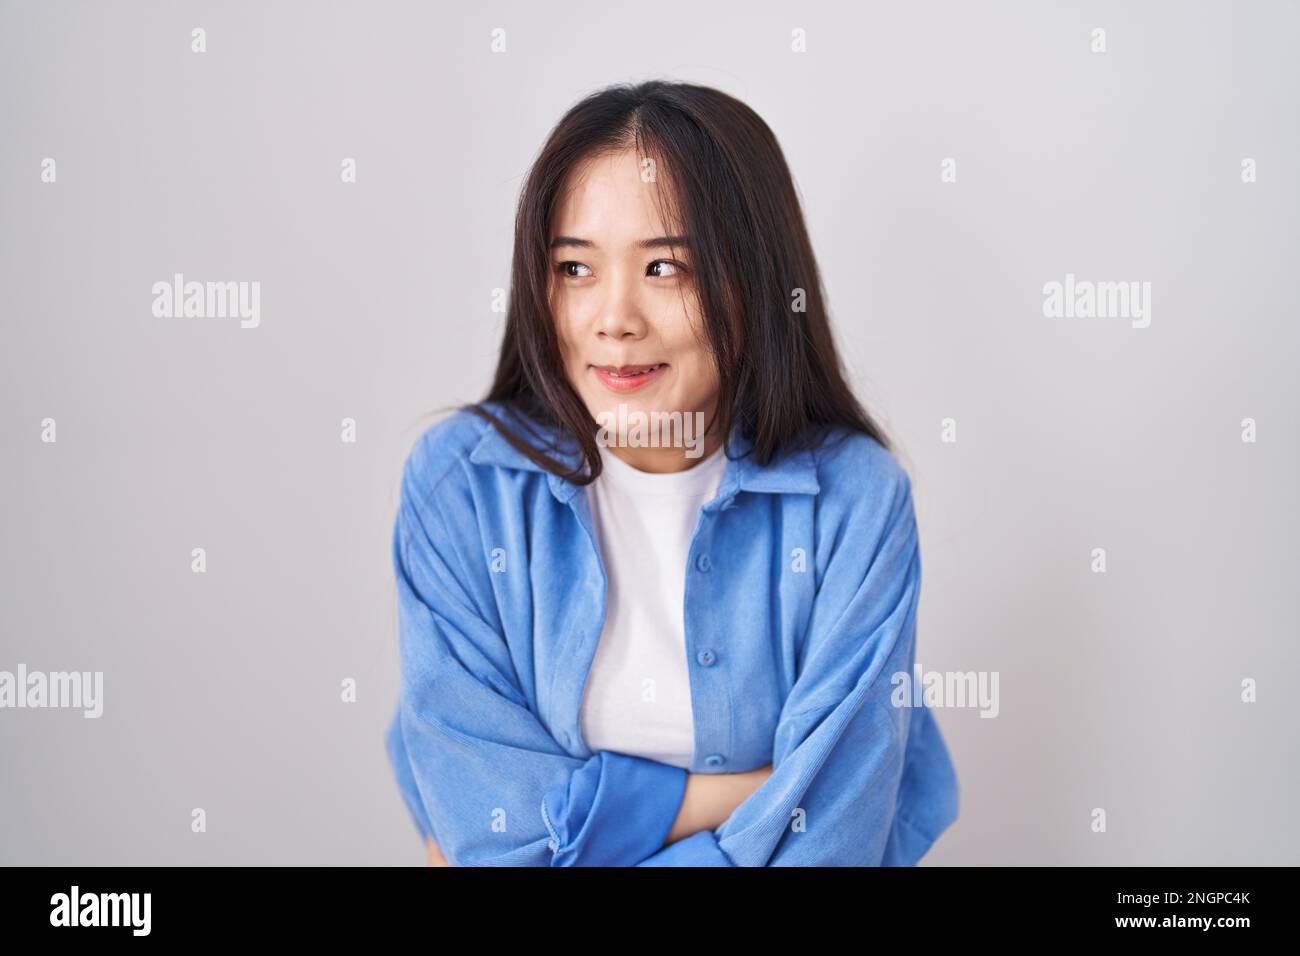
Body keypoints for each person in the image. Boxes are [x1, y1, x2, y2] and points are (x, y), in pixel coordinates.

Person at [384, 79, 959, 866]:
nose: (614, 317)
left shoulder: (856, 502)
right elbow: (488, 833)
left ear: (754, 284)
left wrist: (587, 825)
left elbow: (832, 839)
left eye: (664, 269)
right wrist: (744, 794)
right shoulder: (461, 488)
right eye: (575, 269)